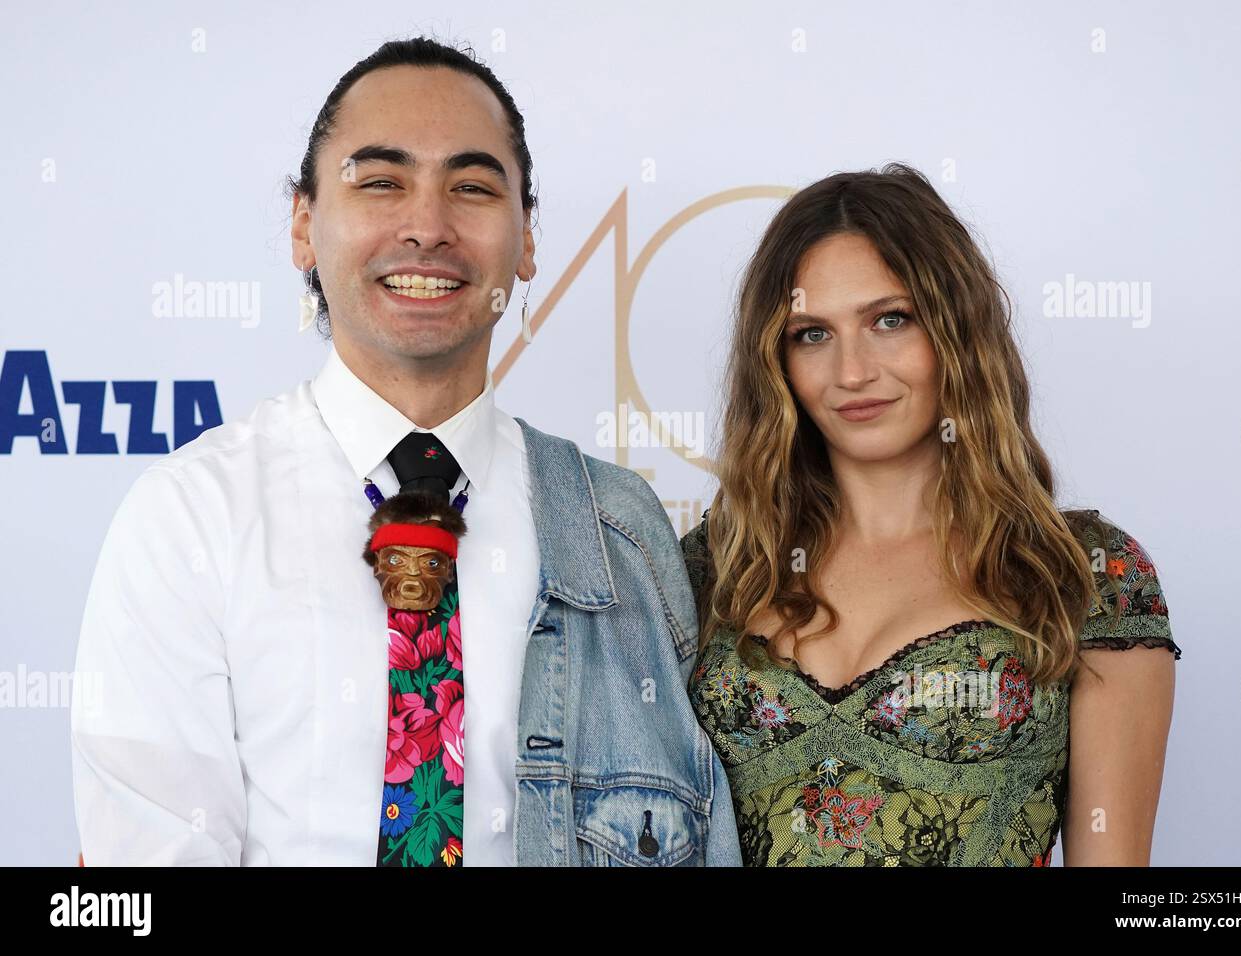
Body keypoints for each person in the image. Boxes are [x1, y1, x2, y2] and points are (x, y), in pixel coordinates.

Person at [70, 36, 740, 867]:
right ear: (303, 225)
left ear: (526, 237)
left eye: (471, 187)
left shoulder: (618, 528)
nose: (427, 227)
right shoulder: (191, 519)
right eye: (380, 182)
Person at [681, 164, 1179, 867]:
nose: (853, 372)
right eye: (812, 334)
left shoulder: (1086, 573)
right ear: (776, 360)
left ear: (956, 329)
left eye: (890, 320)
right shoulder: (716, 568)